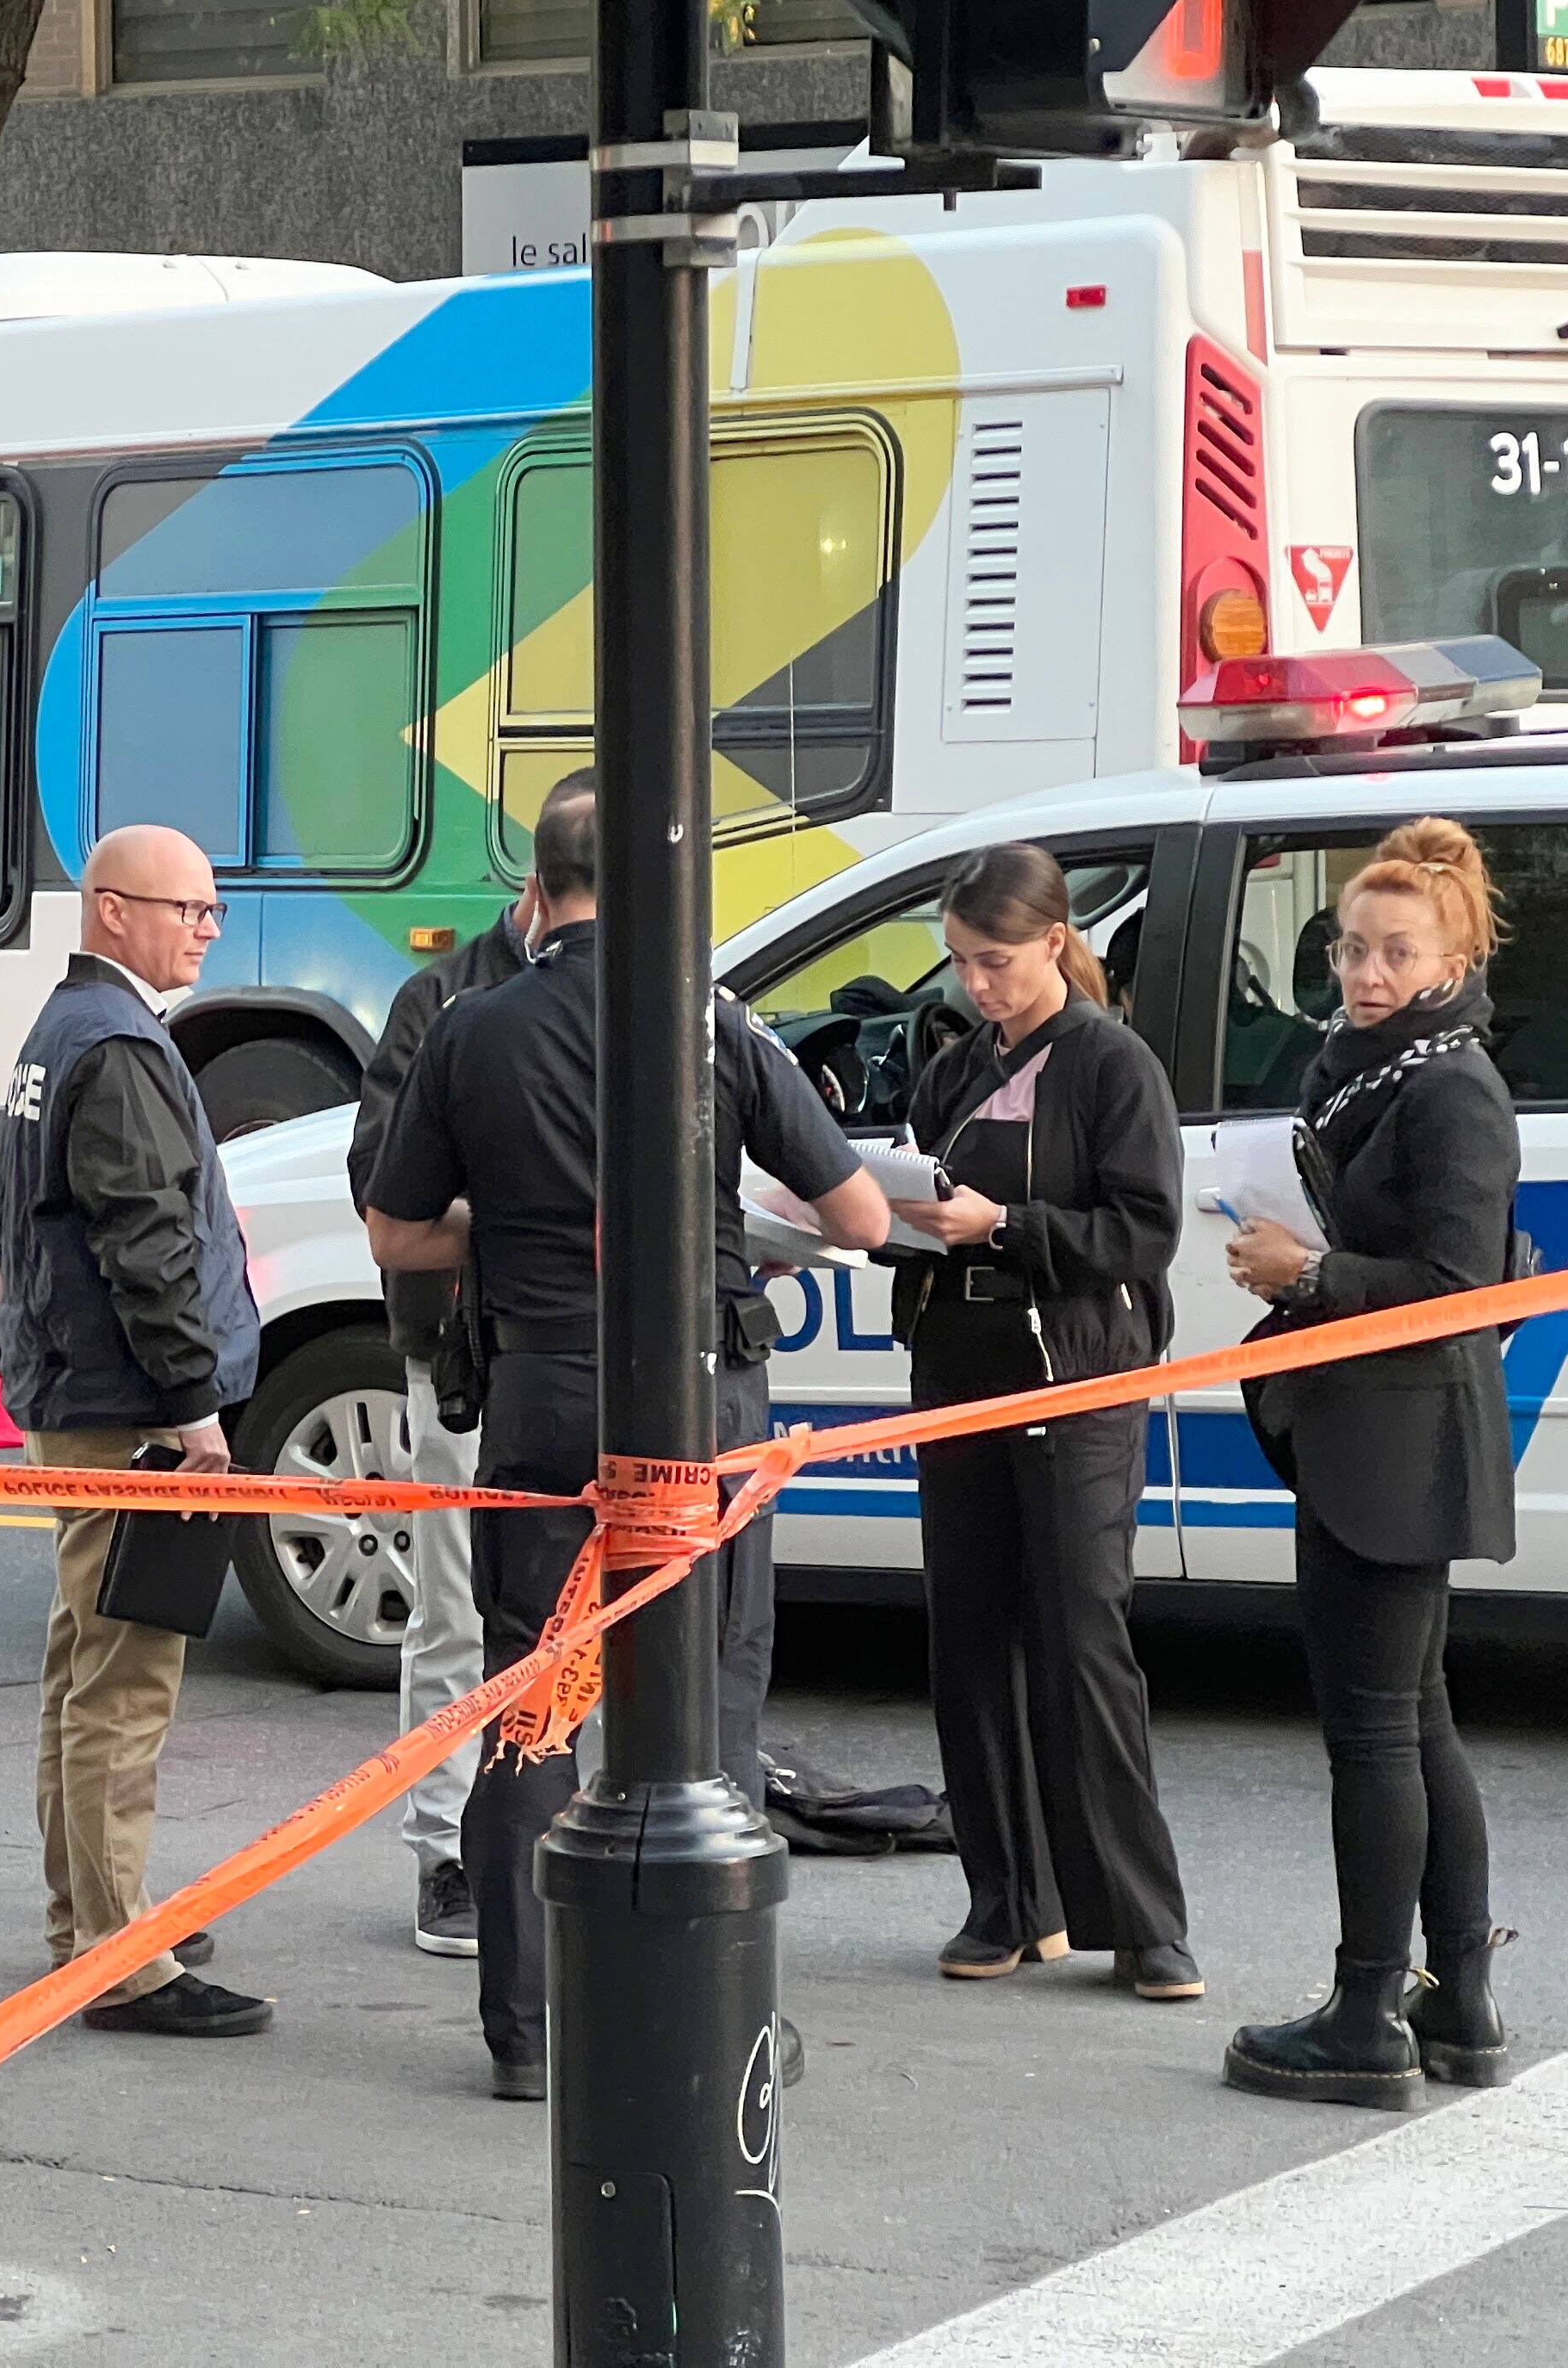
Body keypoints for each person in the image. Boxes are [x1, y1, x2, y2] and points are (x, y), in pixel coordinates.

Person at [360, 771, 889, 2097]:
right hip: (699, 1405)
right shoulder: (711, 1025)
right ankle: (713, 2024)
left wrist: (516, 1220)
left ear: (538, 887)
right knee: (710, 1702)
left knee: (532, 1706)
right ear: (660, 891)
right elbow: (863, 1220)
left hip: (541, 1396)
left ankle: (530, 2036)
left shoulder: (471, 1027)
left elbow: (397, 1230)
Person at [1221, 819, 1519, 2107]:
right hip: (1371, 1428)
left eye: (1398, 951)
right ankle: (1456, 2004)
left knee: (1375, 1735)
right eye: (1349, 947)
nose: (1367, 971)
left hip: (1401, 1438)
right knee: (1417, 1719)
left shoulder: (1452, 1086)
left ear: (1452, 962)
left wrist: (1313, 1275)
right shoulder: (1374, 1068)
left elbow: (1458, 1288)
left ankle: (1364, 2014)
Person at [891, 844, 1199, 2001]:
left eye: (998, 963)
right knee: (966, 1636)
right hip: (957, 1364)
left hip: (1071, 1370)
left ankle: (1144, 1919)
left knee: (1081, 1639)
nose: (978, 985)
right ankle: (1007, 1902)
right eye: (963, 963)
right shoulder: (958, 1066)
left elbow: (1142, 1233)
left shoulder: (1112, 1066)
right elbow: (924, 1198)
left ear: (1058, 943)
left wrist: (1008, 1227)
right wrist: (874, 1217)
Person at [0, 821, 276, 2039]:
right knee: (123, 1679)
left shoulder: (70, 1035)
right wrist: (193, 1408)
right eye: (187, 908)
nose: (206, 928)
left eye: (212, 910)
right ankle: (117, 1953)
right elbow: (145, 1243)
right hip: (127, 1411)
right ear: (112, 910)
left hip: (80, 1394)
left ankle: (90, 1920)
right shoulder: (115, 1045)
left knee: (84, 1663)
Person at [344, 883, 541, 1960]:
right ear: (541, 893)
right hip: (464, 1351)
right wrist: (525, 1218)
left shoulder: (628, 984)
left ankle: (536, 1834)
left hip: (573, 1357)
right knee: (455, 1607)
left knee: (562, 1611)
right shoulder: (442, 999)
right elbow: (381, 1180)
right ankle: (447, 1853)